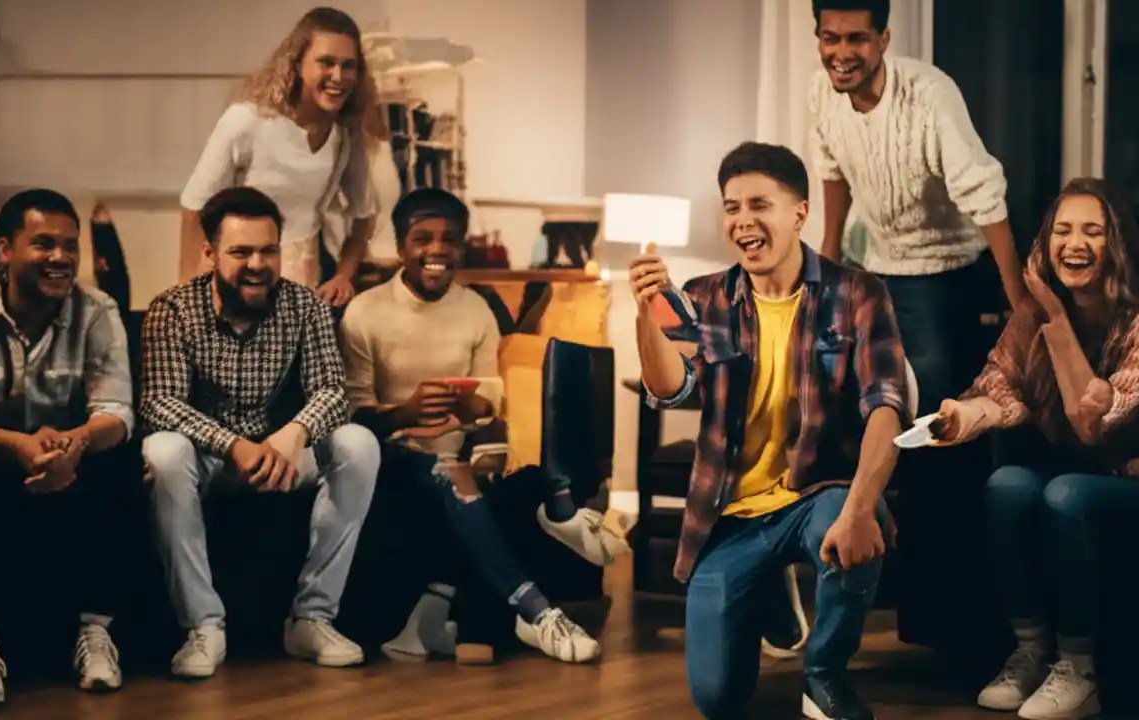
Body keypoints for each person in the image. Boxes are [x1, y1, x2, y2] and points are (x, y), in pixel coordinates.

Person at [631, 142, 909, 720]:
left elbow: (887, 406)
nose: (743, 221)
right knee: (717, 699)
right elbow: (672, 388)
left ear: (800, 213)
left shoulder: (858, 293)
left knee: (856, 522)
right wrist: (645, 312)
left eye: (760, 204)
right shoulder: (705, 297)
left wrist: (861, 509)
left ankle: (824, 675)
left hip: (815, 497)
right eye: (732, 207)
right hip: (730, 517)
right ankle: (768, 592)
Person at [930, 178, 1139, 719]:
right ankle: (1031, 650)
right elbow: (999, 386)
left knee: (1063, 495)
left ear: (1118, 244)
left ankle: (1079, 670)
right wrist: (962, 417)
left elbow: (1095, 422)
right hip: (1078, 470)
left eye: (1092, 231)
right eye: (1062, 230)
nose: (1073, 243)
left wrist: (1056, 323)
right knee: (1007, 486)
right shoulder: (1032, 313)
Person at [339, 188, 622, 665]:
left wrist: (472, 408)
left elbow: (490, 403)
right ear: (401, 247)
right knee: (451, 477)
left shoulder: (474, 308)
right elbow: (353, 421)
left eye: (449, 239)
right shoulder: (365, 312)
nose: (437, 251)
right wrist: (406, 414)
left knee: (521, 484)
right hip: (392, 459)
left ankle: (438, 618)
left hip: (459, 458)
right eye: (422, 238)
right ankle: (535, 612)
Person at [140, 186, 380, 679]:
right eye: (241, 251)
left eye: (268, 250)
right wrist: (233, 445)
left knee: (359, 444)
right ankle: (203, 626)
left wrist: (292, 435)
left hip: (278, 453)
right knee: (163, 451)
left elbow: (334, 391)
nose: (257, 264)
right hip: (207, 458)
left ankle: (312, 618)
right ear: (209, 254)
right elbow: (158, 403)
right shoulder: (173, 309)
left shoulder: (303, 306)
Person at [808, 0, 1026, 411]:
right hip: (869, 258)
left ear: (883, 40)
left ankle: (929, 477)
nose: (841, 53)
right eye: (830, 38)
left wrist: (1019, 303)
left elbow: (983, 195)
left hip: (938, 267)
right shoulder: (821, 90)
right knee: (852, 385)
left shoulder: (930, 95)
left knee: (927, 394)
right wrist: (828, 261)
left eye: (857, 38)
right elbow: (832, 168)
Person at [0, 189, 136, 700]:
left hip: (69, 462)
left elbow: (116, 412)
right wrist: (17, 444)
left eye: (69, 246)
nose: (61, 258)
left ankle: (95, 632)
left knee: (125, 457)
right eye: (44, 244)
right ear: (5, 251)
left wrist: (70, 444)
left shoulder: (96, 311)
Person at [178, 6, 377, 307]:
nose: (338, 76)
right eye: (326, 62)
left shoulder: (345, 135)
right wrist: (187, 291)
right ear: (297, 64)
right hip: (239, 280)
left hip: (305, 282)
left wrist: (344, 275)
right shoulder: (246, 120)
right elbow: (194, 205)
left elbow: (364, 217)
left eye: (349, 65)